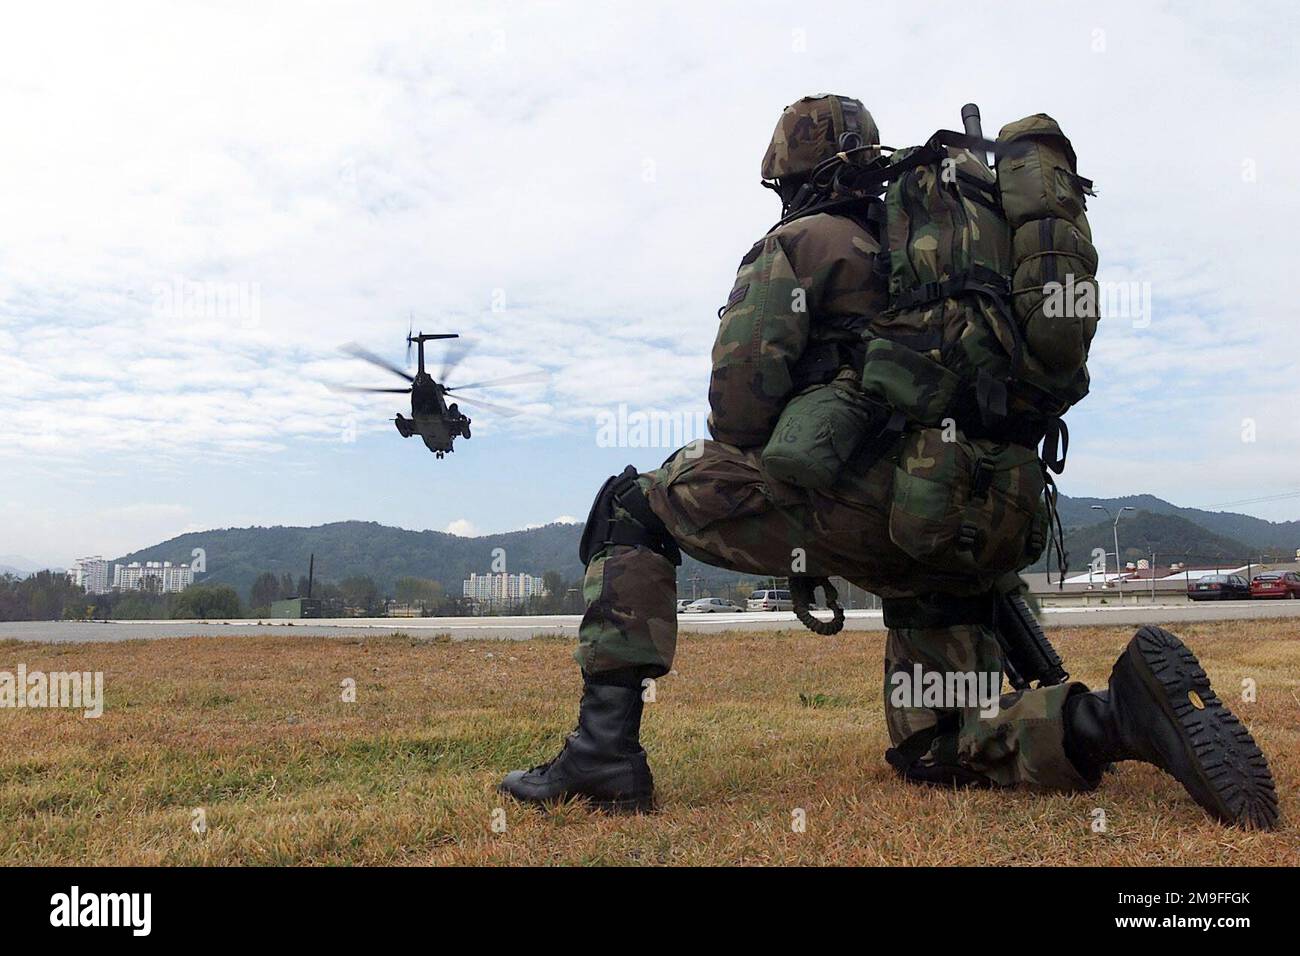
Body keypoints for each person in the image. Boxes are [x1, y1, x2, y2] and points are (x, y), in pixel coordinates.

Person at [499, 95, 1279, 828]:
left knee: (633, 502)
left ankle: (601, 754)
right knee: (937, 744)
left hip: (872, 513)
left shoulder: (804, 244)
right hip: (978, 521)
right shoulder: (954, 261)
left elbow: (735, 412)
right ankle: (1114, 717)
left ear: (794, 178)